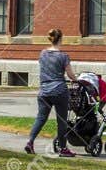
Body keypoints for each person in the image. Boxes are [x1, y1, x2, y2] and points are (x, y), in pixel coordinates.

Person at [25, 28, 79, 157]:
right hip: (60, 91)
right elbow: (70, 74)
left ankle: (30, 142)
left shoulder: (43, 53)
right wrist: (76, 80)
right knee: (62, 121)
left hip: (44, 91)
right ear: (60, 39)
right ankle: (63, 148)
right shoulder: (63, 56)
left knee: (41, 118)